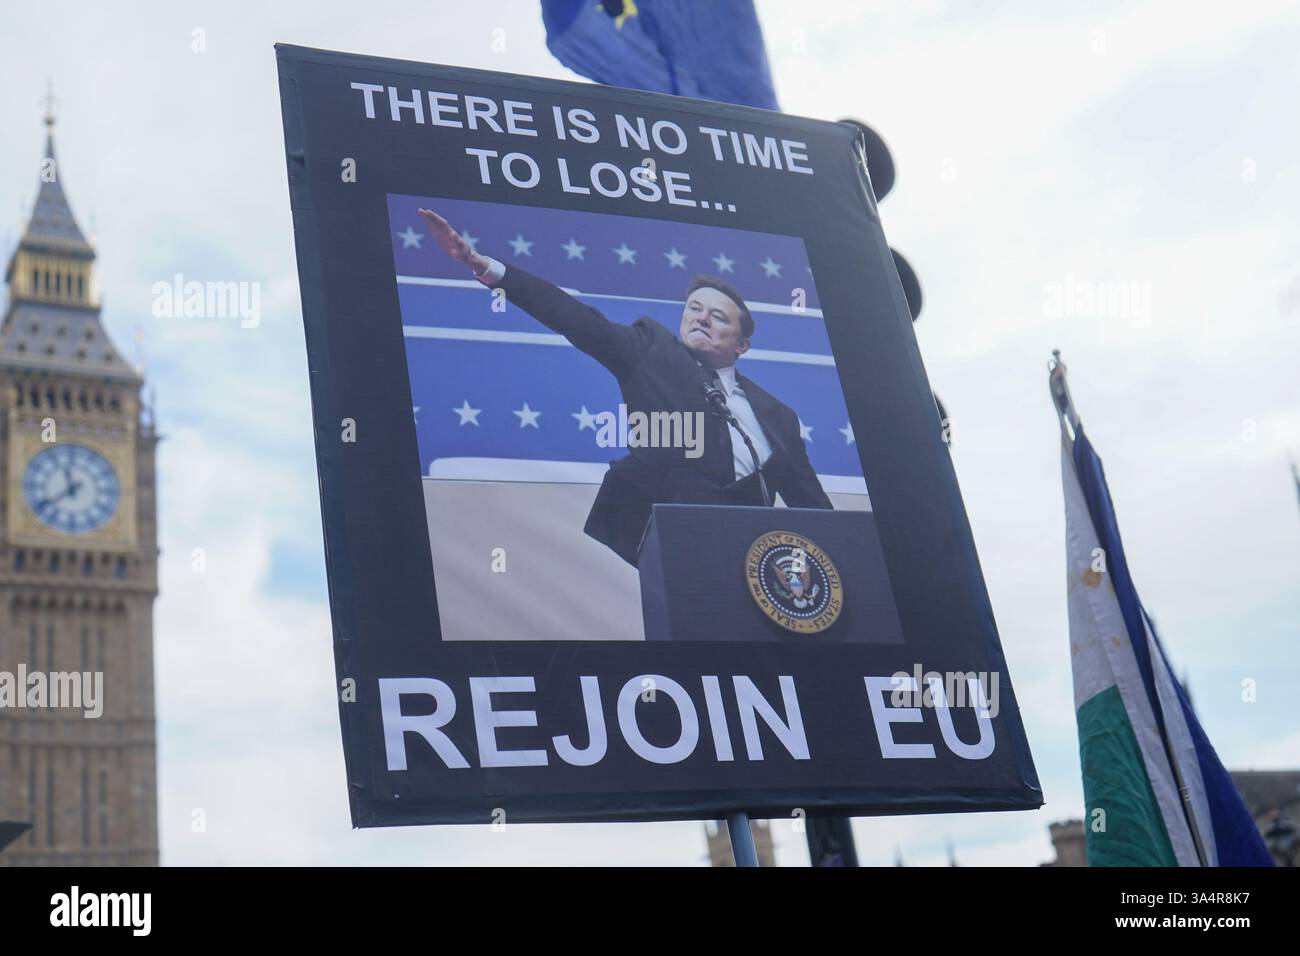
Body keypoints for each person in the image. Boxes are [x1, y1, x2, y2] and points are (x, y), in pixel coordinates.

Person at [417, 208, 831, 565]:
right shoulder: (651, 350)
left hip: (754, 557)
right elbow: (577, 319)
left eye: (719, 317)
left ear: (742, 345)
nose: (701, 319)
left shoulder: (778, 415)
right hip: (673, 542)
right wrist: (487, 268)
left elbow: (815, 510)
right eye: (694, 309)